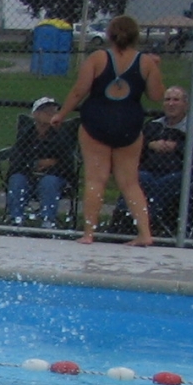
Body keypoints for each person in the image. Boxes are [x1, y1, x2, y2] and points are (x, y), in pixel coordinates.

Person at [53, 14, 161, 245]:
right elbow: (156, 96)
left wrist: (61, 114)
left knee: (95, 179)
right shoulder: (145, 62)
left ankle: (89, 233)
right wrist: (155, 68)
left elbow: (79, 91)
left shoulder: (97, 58)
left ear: (110, 35)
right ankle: (145, 233)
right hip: (129, 124)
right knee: (130, 182)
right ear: (135, 36)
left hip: (96, 121)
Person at [117, 85, 193, 236]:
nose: (171, 104)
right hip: (150, 171)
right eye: (167, 100)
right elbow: (134, 152)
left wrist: (178, 147)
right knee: (137, 178)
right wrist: (150, 145)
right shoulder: (153, 126)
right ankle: (121, 223)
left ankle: (145, 223)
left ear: (185, 104)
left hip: (181, 175)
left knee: (164, 183)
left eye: (176, 100)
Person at [3, 96, 79, 226]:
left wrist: (52, 165)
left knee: (48, 182)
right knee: (17, 179)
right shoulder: (26, 135)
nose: (51, 114)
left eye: (53, 110)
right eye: (46, 111)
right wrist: (35, 164)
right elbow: (17, 159)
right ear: (35, 114)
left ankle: (47, 220)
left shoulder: (62, 135)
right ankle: (15, 219)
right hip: (29, 176)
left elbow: (67, 162)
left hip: (55, 178)